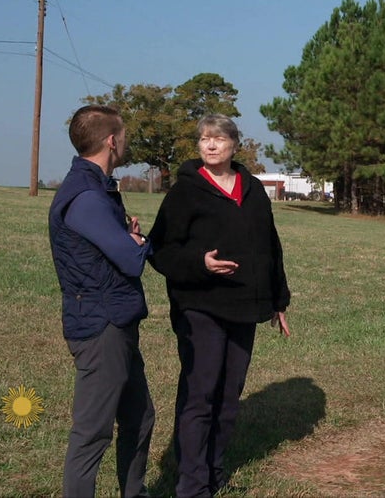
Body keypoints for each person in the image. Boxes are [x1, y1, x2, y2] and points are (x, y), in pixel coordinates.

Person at [148, 114, 291, 498]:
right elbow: (159, 250)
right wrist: (201, 264)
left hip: (244, 306)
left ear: (234, 144)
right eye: (204, 140)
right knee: (201, 394)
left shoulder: (254, 190)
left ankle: (214, 471)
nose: (210, 145)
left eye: (218, 139)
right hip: (200, 306)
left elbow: (269, 246)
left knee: (229, 395)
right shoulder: (185, 192)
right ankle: (192, 485)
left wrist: (279, 300)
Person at [48, 105, 155, 498]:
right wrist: (137, 244)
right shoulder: (87, 196)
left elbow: (112, 249)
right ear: (112, 141)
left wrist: (126, 236)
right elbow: (130, 260)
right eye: (123, 136)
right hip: (100, 327)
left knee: (140, 417)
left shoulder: (98, 190)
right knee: (92, 433)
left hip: (116, 319)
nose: (124, 142)